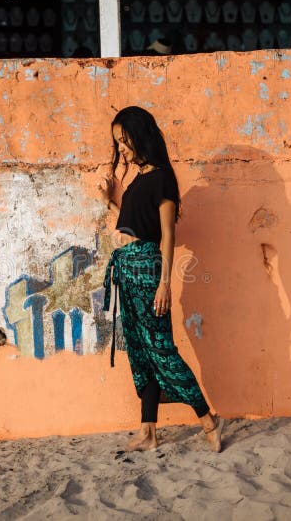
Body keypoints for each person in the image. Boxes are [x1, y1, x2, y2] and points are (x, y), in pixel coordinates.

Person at [98, 106, 224, 453]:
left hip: (147, 271)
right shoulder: (137, 181)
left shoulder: (162, 178)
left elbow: (167, 234)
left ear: (141, 136)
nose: (121, 149)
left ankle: (208, 420)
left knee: (162, 350)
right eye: (117, 143)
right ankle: (148, 432)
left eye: (125, 141)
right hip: (127, 269)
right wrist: (110, 201)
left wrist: (165, 283)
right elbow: (131, 227)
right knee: (140, 353)